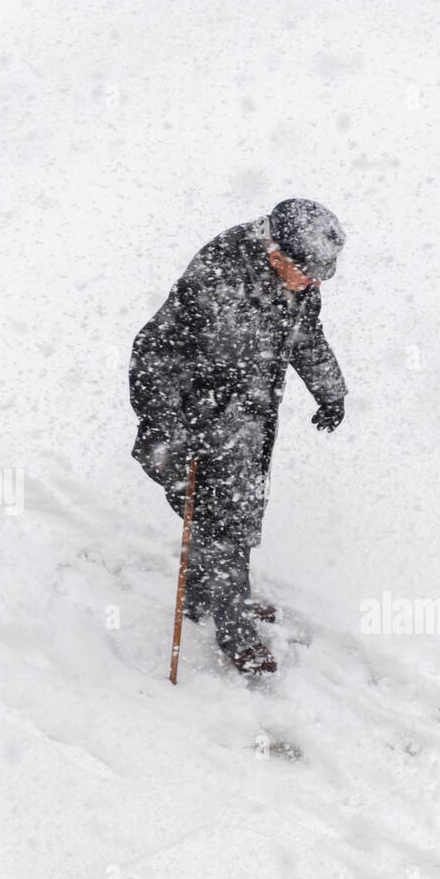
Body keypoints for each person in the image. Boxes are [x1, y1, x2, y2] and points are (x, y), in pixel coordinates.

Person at [129, 198, 347, 674]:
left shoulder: (297, 281)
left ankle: (208, 594)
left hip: (247, 422)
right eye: (308, 273)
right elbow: (153, 353)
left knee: (233, 514)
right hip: (196, 425)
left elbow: (304, 336)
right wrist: (169, 428)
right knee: (223, 521)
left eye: (320, 277)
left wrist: (331, 391)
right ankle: (235, 629)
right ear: (276, 254)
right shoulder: (217, 280)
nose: (313, 284)